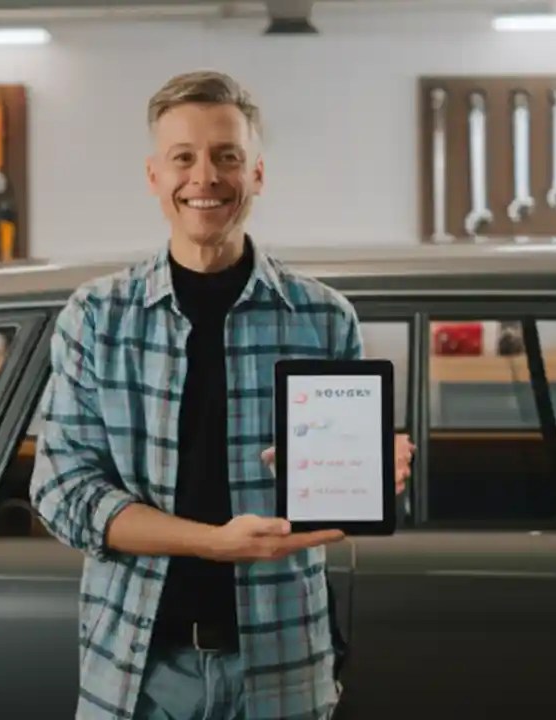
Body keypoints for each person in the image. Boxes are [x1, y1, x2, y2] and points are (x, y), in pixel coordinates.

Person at [29, 69, 415, 720]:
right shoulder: (96, 317)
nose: (204, 177)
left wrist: (373, 475)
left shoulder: (323, 319)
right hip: (139, 670)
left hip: (284, 663)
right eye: (183, 157)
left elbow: (333, 506)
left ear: (257, 174)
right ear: (155, 176)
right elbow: (63, 494)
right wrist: (213, 542)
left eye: (227, 156)